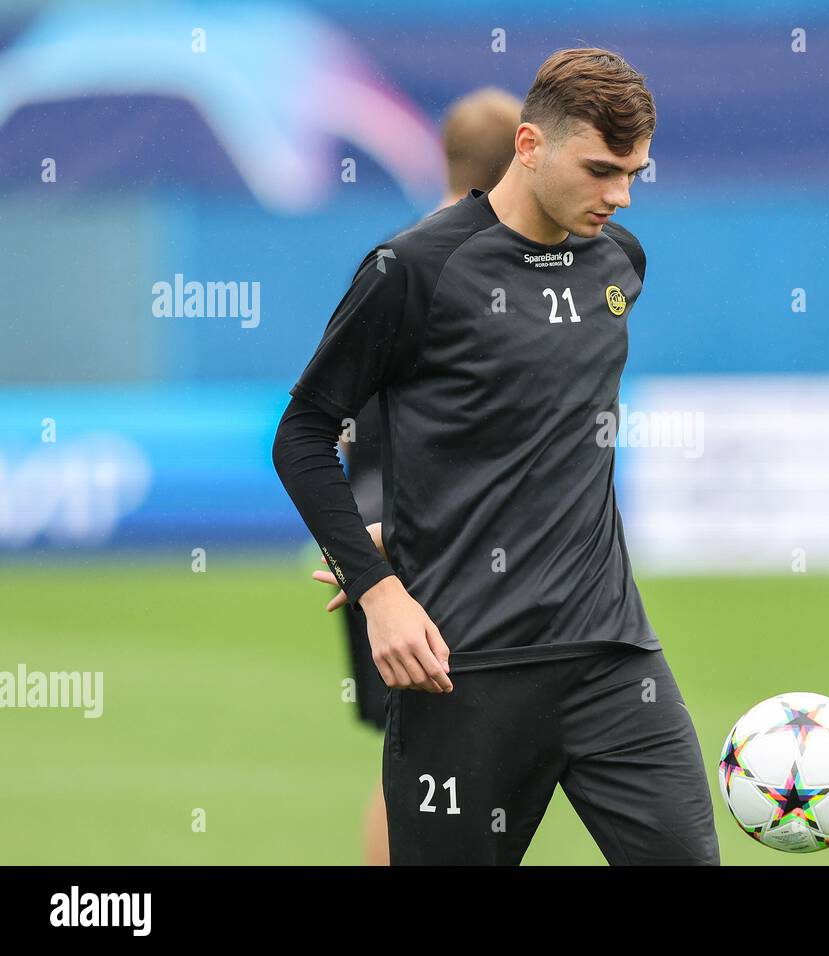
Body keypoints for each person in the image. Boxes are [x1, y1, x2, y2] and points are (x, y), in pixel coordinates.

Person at [272, 47, 720, 865]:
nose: (619, 195)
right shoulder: (412, 270)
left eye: (634, 174)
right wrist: (380, 589)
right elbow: (302, 434)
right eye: (599, 169)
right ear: (527, 146)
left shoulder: (621, 261)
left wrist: (418, 525)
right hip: (461, 669)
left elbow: (532, 431)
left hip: (613, 660)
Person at [331, 87, 523, 866]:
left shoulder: (388, 256)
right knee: (450, 767)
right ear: (523, 156)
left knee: (414, 763)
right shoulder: (489, 271)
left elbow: (332, 419)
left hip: (369, 534)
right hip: (442, 541)